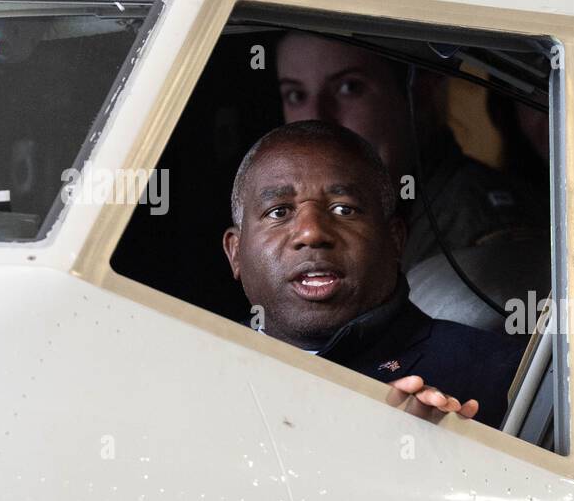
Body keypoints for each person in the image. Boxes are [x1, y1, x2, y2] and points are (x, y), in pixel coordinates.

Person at [222, 120, 524, 427]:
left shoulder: (504, 378)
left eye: (344, 209)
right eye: (279, 212)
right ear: (235, 253)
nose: (311, 233)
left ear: (395, 240)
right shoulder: (195, 363)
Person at [274, 31, 546, 272]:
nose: (317, 120)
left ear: (420, 91)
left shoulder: (478, 231)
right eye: (296, 95)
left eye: (349, 88)